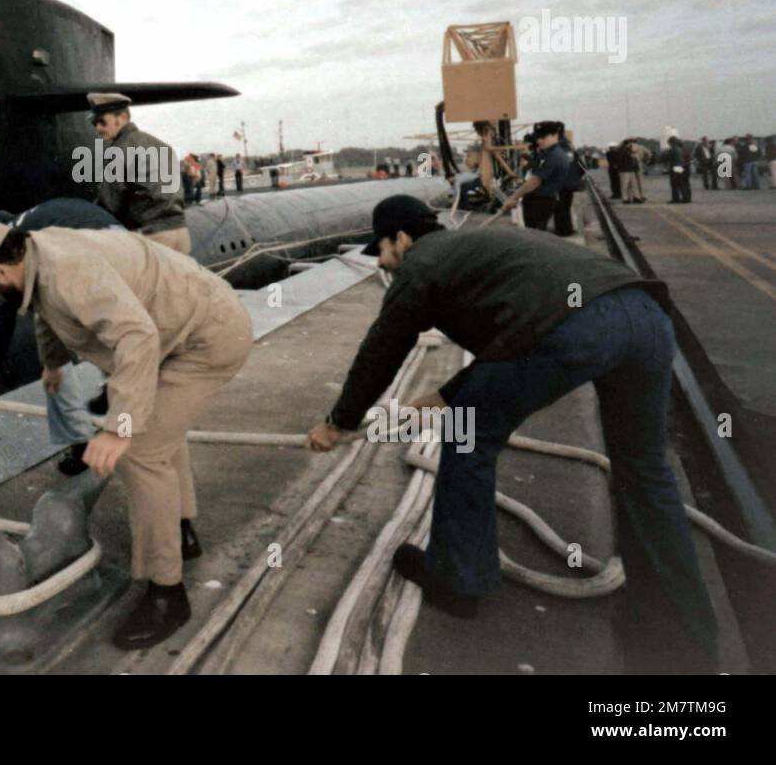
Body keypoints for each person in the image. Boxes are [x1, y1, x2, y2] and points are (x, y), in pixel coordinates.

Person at [306, 196, 719, 674]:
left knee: (465, 438)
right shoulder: (477, 249)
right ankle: (682, 637)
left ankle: (458, 580)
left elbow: (383, 346)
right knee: (646, 470)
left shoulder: (420, 263)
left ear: (401, 237)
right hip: (645, 315)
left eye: (380, 249)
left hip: (572, 326)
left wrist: (338, 422)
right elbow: (514, 331)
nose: (381, 263)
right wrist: (445, 395)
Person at [0, 216, 253, 650]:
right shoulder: (40, 251)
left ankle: (167, 593)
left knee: (143, 449)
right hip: (181, 331)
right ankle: (181, 528)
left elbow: (137, 336)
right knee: (158, 431)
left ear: (0, 271)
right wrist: (53, 363)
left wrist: (118, 429)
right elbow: (45, 310)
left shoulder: (67, 272)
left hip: (205, 338)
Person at [0, 198, 124, 475]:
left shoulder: (18, 246)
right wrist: (51, 363)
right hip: (121, 247)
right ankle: (106, 408)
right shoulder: (34, 224)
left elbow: (6, 319)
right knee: (88, 338)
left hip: (102, 260)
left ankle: (83, 441)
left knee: (79, 344)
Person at [88, 92, 191, 254]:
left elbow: (110, 203)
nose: (98, 128)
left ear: (121, 118)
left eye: (102, 121)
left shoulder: (119, 150)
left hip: (153, 238)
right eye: (94, 123)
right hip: (180, 233)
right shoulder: (161, 145)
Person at [500, 122, 569, 230]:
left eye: (543, 137)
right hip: (544, 200)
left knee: (533, 234)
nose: (539, 141)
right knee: (537, 233)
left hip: (539, 202)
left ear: (555, 135)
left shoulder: (553, 156)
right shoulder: (553, 153)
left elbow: (534, 182)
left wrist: (513, 198)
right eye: (538, 137)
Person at [620, 138, 649, 204]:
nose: (632, 145)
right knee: (627, 184)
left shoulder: (629, 150)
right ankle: (627, 198)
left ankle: (635, 197)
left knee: (632, 184)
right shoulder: (623, 150)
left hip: (631, 169)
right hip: (627, 169)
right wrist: (645, 161)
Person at [666, 136, 692, 204]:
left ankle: (676, 198)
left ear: (672, 142)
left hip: (674, 167)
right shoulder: (680, 149)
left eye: (669, 142)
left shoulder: (672, 149)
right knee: (681, 183)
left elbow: (668, 158)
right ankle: (685, 198)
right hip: (680, 167)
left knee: (674, 183)